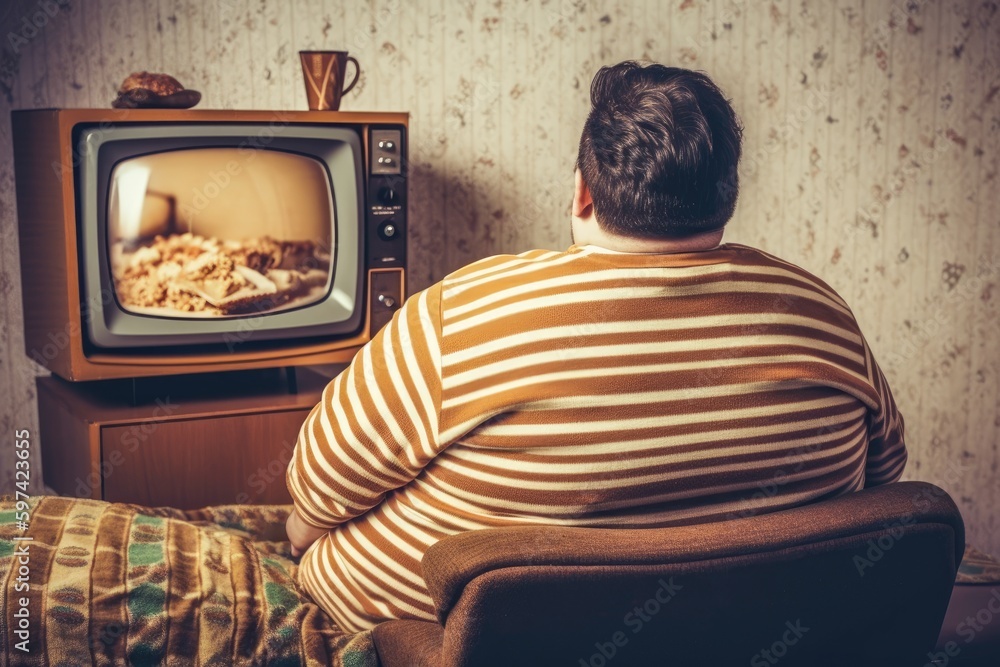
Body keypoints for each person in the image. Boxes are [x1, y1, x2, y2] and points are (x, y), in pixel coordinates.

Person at [285, 60, 907, 632]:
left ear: (583, 191)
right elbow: (882, 474)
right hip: (735, 629)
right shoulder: (821, 312)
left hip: (460, 637)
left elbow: (320, 487)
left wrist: (299, 536)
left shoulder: (460, 314)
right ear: (727, 195)